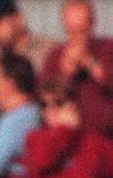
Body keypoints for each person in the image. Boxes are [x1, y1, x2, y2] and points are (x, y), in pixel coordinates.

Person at [39, 0, 113, 140]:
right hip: (68, 140)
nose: (78, 37)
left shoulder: (108, 49)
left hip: (106, 138)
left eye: (82, 30)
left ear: (92, 23)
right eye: (72, 31)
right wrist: (65, 74)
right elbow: (44, 98)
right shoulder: (55, 56)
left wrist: (92, 64)